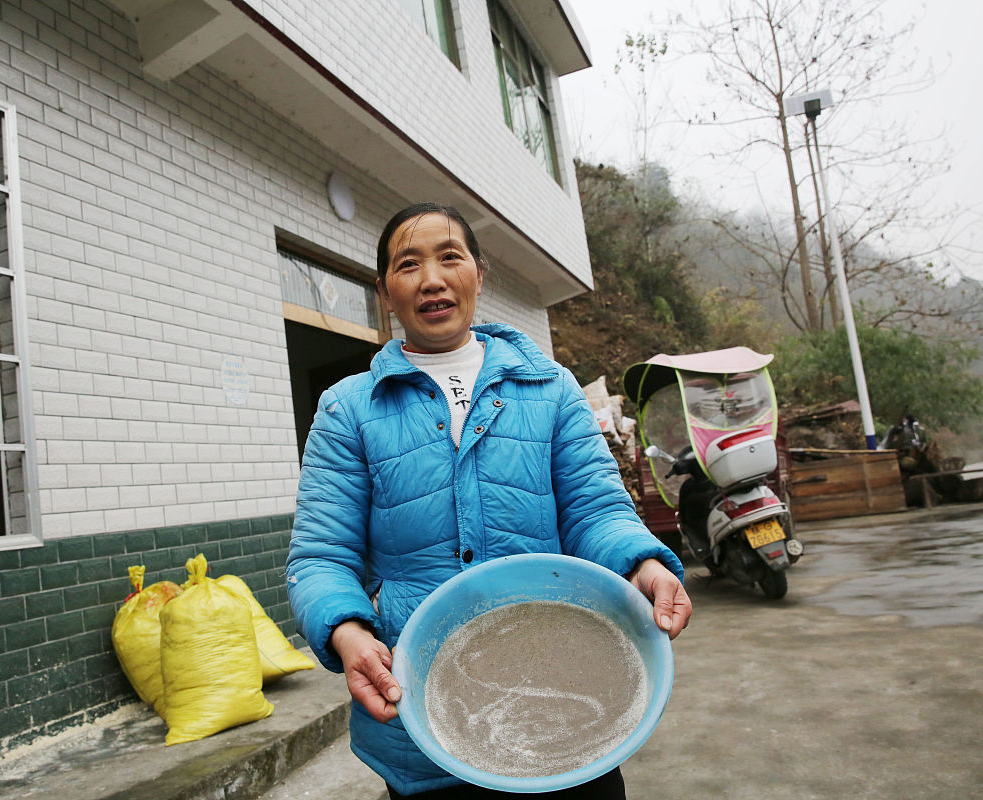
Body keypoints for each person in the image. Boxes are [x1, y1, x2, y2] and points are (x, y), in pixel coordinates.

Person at [286, 202, 692, 798]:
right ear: (384, 290)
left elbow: (595, 511)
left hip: (565, 685)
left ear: (479, 272)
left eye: (450, 257)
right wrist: (347, 630)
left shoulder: (550, 389)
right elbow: (321, 557)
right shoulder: (349, 408)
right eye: (408, 264)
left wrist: (644, 563)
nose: (432, 279)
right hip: (423, 704)